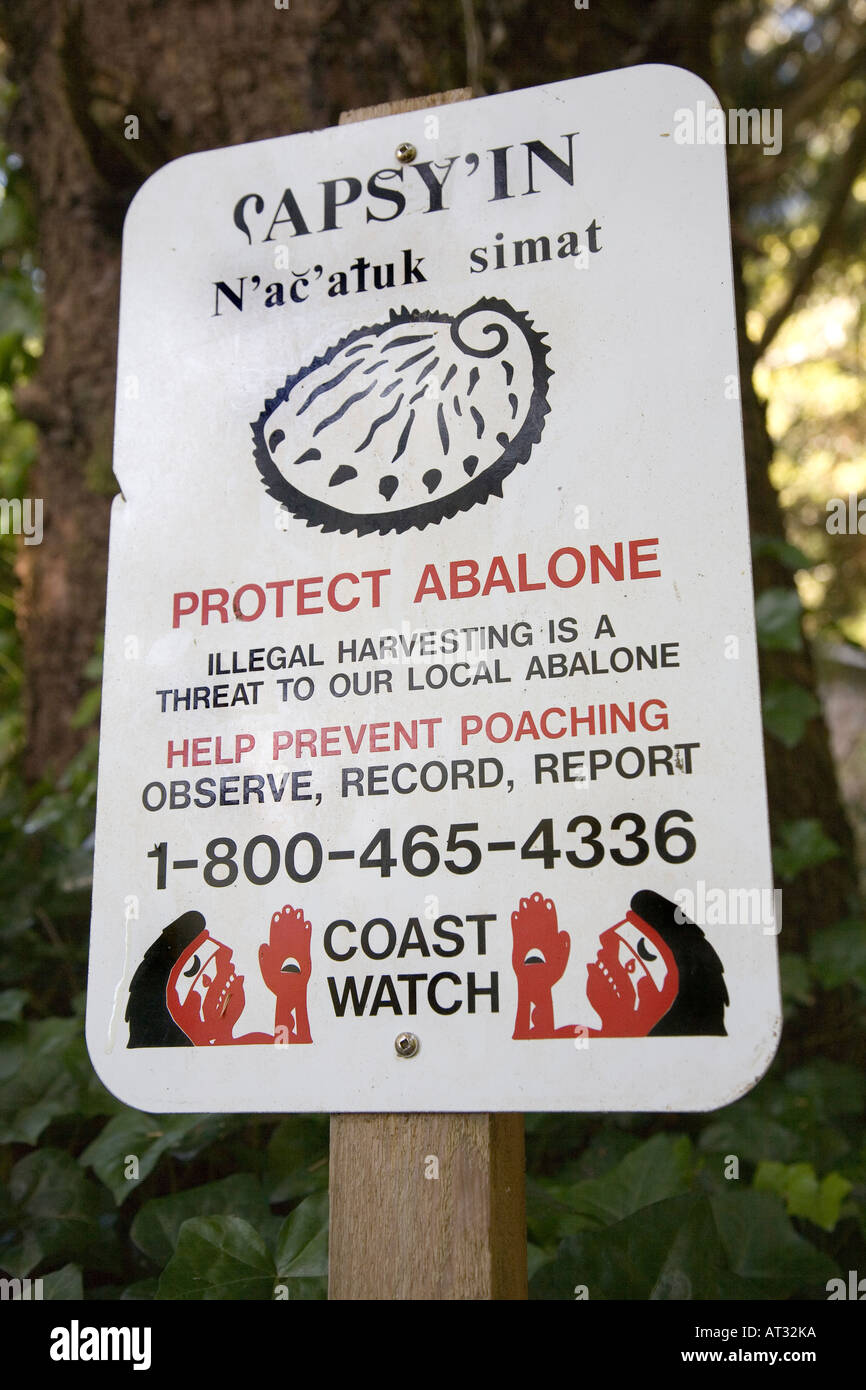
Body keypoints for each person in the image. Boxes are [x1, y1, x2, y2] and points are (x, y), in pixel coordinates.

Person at [511, 888, 727, 1038]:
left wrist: (534, 973)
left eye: (644, 953)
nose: (607, 942)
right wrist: (535, 974)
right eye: (624, 931)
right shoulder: (583, 1038)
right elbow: (532, 1055)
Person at [126, 903, 312, 1046]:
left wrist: (289, 987)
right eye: (195, 972)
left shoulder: (246, 1046)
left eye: (212, 949)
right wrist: (291, 986)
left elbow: (293, 1055)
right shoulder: (203, 1072)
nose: (225, 958)